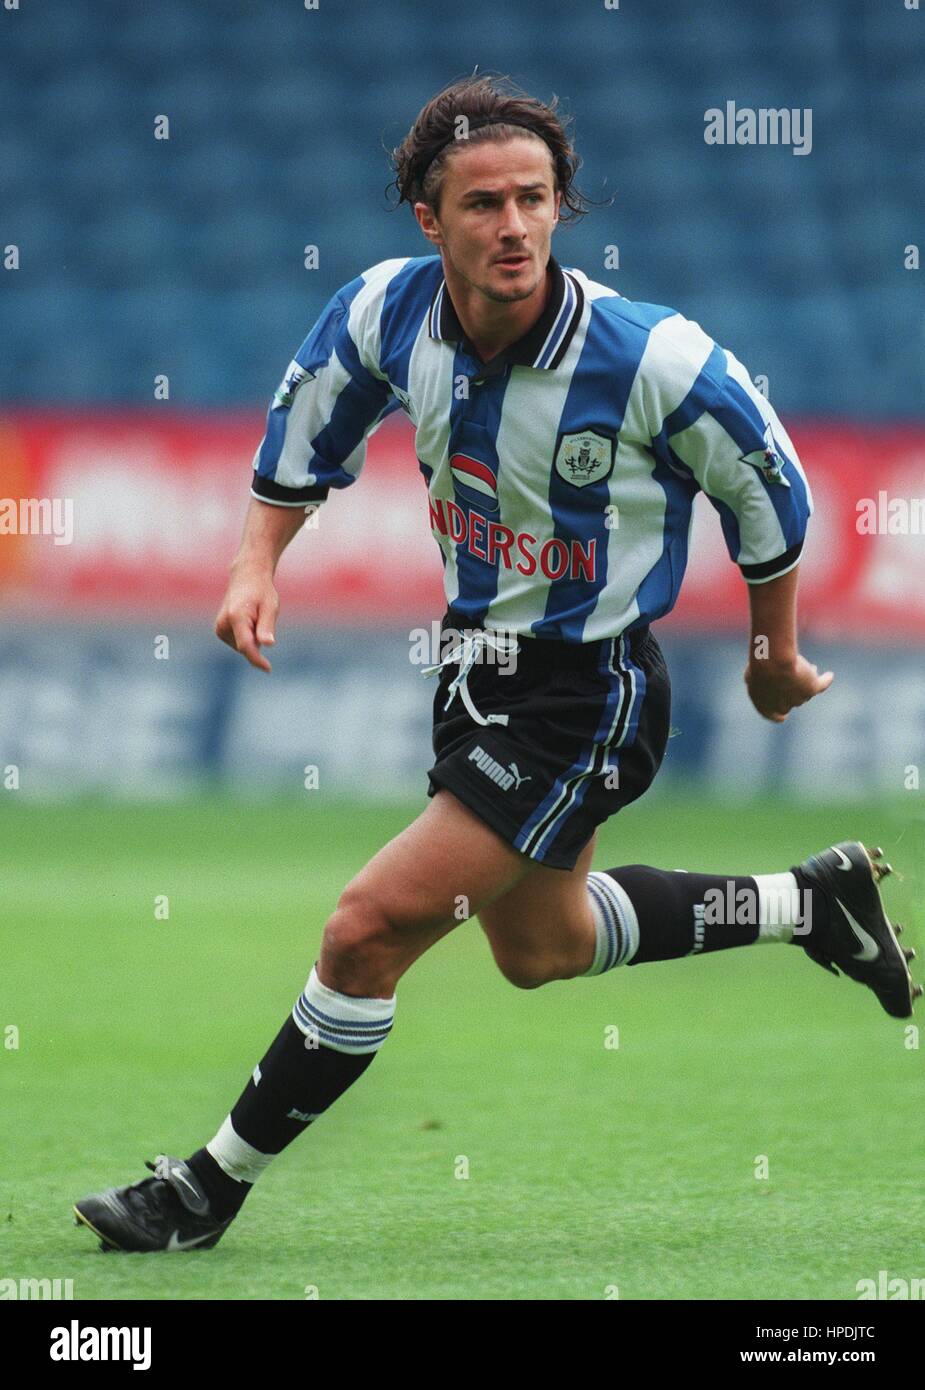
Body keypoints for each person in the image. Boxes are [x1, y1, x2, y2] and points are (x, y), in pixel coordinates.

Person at [74, 74, 919, 1254]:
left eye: (533, 199)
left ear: (563, 207)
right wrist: (253, 564)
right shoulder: (385, 311)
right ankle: (807, 901)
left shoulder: (650, 357)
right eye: (482, 204)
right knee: (543, 948)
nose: (512, 225)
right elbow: (310, 422)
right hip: (472, 671)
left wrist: (774, 652)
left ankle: (202, 1191)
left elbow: (769, 483)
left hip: (591, 693)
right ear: (430, 219)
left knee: (365, 931)